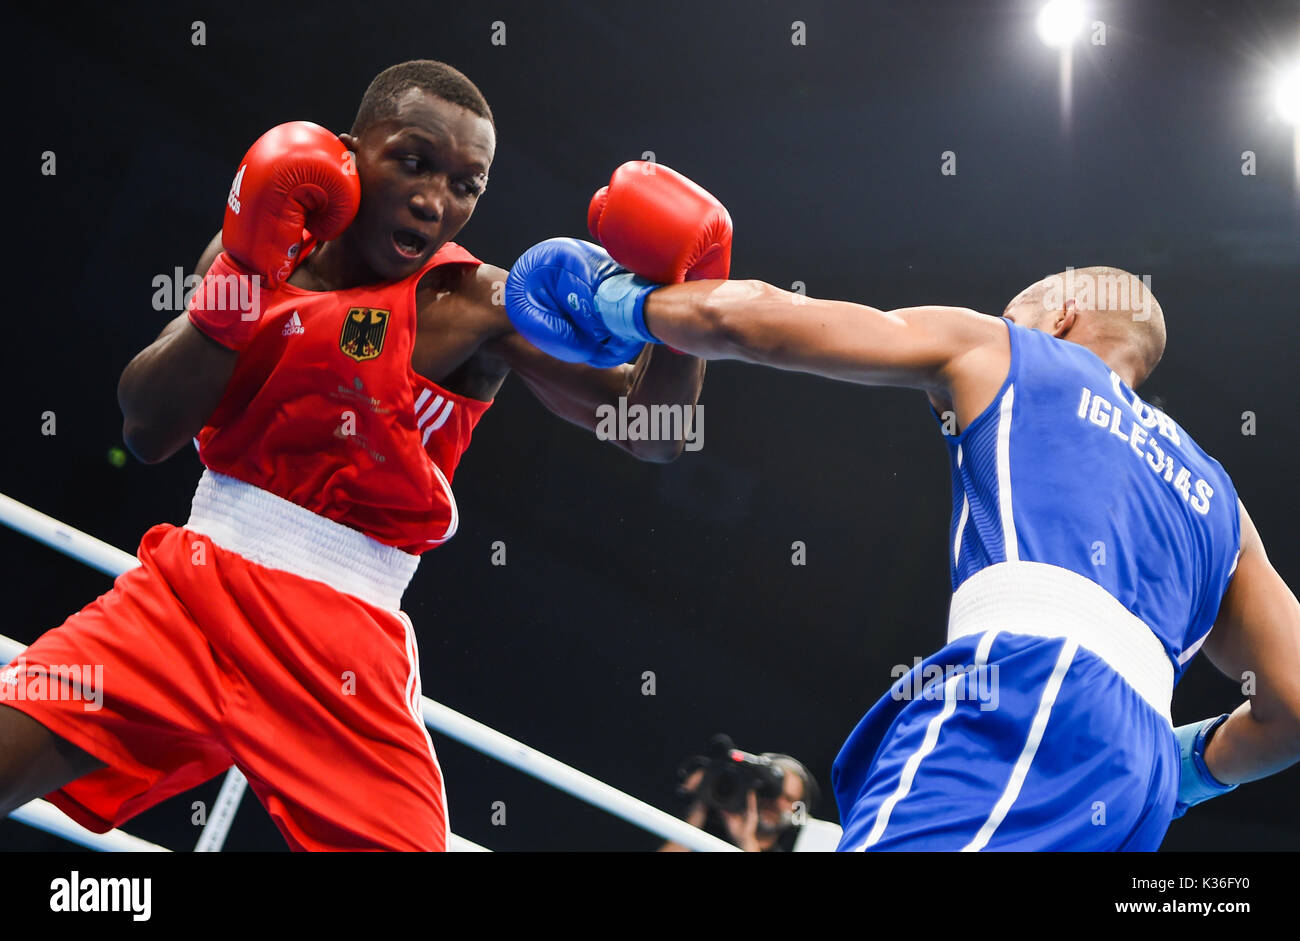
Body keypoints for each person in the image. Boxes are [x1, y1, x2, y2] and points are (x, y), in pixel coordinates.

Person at [0, 61, 710, 851]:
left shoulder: (474, 302)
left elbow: (655, 433)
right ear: (348, 152)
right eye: (413, 161)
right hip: (183, 601)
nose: (436, 199)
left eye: (466, 183)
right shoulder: (261, 249)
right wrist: (239, 277)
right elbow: (147, 427)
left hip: (339, 650)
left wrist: (683, 302)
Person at [504, 163, 1300, 850]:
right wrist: (1184, 766)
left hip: (1027, 690)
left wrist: (620, 304)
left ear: (1061, 318)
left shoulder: (1012, 351)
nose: (1005, 315)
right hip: (1138, 790)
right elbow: (1293, 706)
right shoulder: (1222, 503)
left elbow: (754, 323)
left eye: (1018, 304)